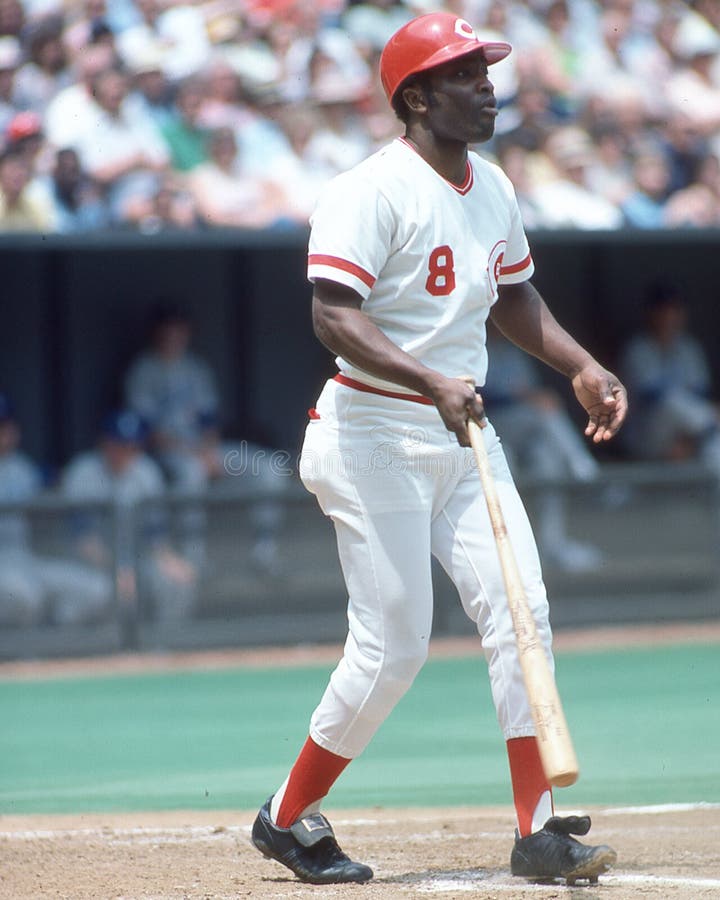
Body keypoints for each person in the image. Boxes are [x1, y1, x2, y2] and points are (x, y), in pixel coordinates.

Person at [250, 12, 626, 888]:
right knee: (393, 649)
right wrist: (430, 379)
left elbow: (514, 297)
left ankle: (538, 831)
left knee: (520, 611)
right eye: (464, 74)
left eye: (485, 69)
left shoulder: (491, 184)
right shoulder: (367, 189)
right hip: (371, 434)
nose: (487, 85)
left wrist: (579, 363)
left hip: (460, 433)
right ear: (414, 97)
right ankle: (286, 816)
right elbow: (333, 318)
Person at [124, 303, 287, 572]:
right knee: (192, 472)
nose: (175, 337)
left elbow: (209, 419)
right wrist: (197, 455)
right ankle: (193, 552)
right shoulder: (143, 371)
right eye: (168, 331)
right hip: (168, 454)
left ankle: (265, 548)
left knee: (270, 466)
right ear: (157, 333)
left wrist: (210, 451)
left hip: (204, 449)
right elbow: (146, 431)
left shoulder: (195, 368)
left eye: (179, 331)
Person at [483, 325, 602, 572]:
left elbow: (530, 389)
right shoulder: (478, 347)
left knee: (548, 461)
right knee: (544, 412)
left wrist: (528, 397)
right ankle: (584, 467)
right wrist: (524, 398)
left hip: (522, 433)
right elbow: (479, 396)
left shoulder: (513, 351)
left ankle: (552, 544)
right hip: (491, 429)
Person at [61, 409, 198, 623]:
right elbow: (83, 540)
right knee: (101, 591)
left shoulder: (146, 472)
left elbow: (156, 534)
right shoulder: (82, 473)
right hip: (88, 564)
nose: (126, 451)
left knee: (176, 579)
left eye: (132, 445)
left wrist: (168, 559)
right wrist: (119, 569)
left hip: (136, 560)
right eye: (119, 444)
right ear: (104, 443)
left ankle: (166, 646)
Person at [0, 392, 109, 627]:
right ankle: (22, 654)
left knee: (97, 589)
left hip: (25, 558)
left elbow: (55, 511)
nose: (4, 434)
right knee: (24, 596)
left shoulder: (22, 468)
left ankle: (55, 646)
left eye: (5, 426)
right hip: (4, 568)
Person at [619, 281, 720, 474]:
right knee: (671, 401)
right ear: (651, 313)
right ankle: (710, 424)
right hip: (646, 433)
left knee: (717, 449)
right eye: (663, 310)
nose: (668, 316)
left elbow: (701, 393)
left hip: (689, 434)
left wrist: (688, 440)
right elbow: (652, 398)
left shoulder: (689, 348)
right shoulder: (638, 349)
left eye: (674, 310)